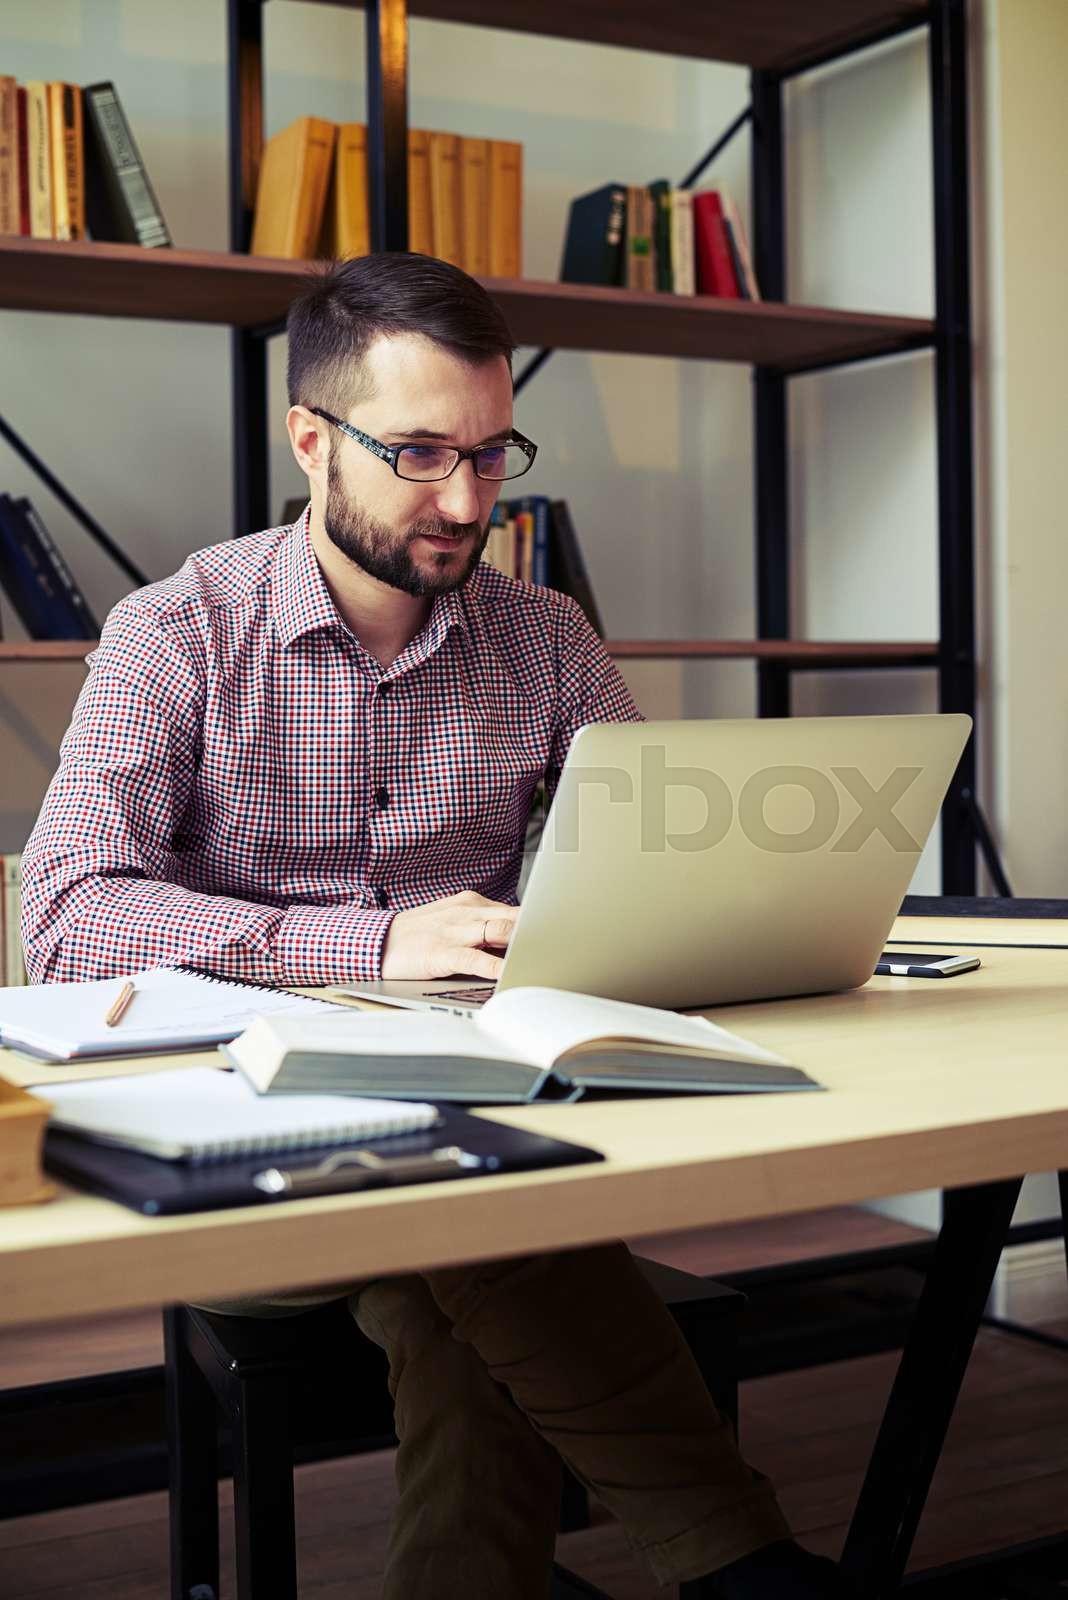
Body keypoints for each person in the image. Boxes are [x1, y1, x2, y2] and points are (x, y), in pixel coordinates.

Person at [21, 253, 859, 1598]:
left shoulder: (547, 638)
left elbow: (637, 865)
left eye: (490, 452)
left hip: (499, 1118)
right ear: (312, 439)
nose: (467, 501)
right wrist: (371, 942)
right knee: (490, 1212)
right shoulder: (173, 634)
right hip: (252, 1160)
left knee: (460, 1270)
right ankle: (740, 1562)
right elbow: (63, 920)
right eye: (418, 454)